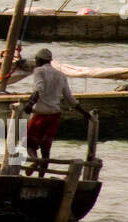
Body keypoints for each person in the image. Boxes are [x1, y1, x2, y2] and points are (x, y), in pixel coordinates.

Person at [22, 48, 91, 176]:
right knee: (46, 149)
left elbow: (38, 89)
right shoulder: (61, 75)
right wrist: (84, 113)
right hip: (54, 116)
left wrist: (30, 104)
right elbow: (69, 98)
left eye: (36, 60)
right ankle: (41, 177)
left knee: (28, 143)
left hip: (40, 114)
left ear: (40, 60)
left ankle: (35, 160)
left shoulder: (39, 71)